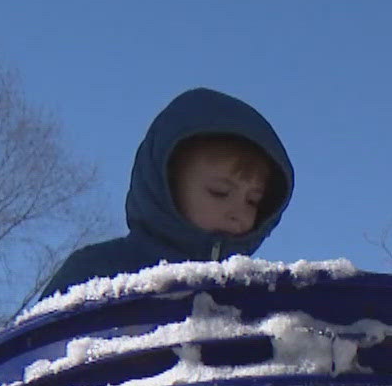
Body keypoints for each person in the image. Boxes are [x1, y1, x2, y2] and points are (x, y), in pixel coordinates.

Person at [38, 88, 293, 299]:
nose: (239, 214)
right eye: (220, 192)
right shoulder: (97, 271)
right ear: (169, 186)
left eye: (253, 201)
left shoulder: (252, 295)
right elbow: (35, 352)